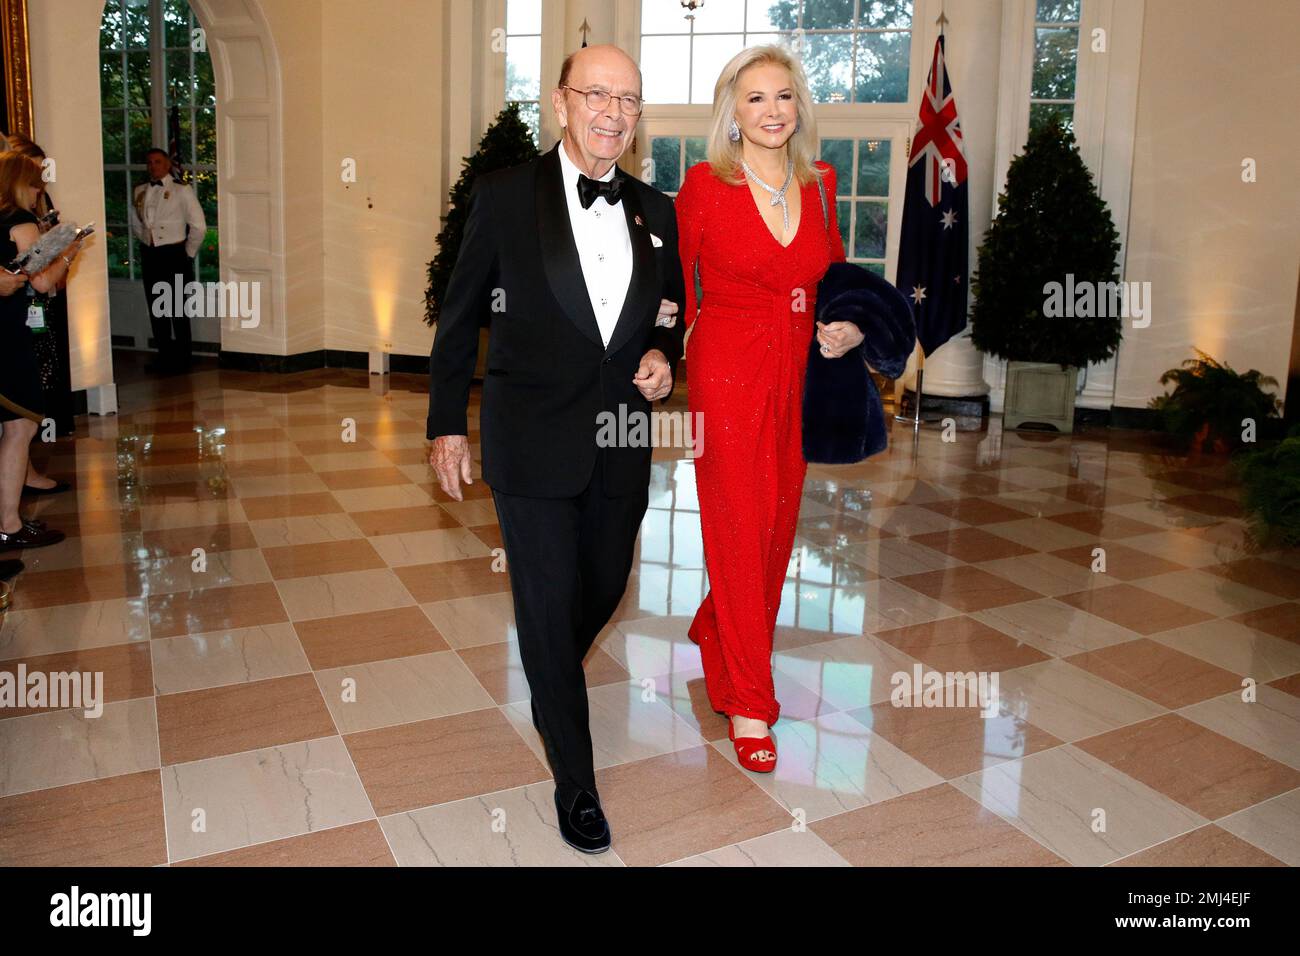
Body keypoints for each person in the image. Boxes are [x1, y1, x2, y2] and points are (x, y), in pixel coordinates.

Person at [427, 44, 685, 853]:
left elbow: (673, 310)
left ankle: (549, 672)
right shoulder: (504, 196)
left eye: (629, 100)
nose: (613, 112)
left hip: (620, 439)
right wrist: (444, 422)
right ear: (562, 101)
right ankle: (577, 786)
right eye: (597, 95)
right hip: (531, 441)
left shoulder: (656, 208)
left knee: (604, 582)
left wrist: (664, 360)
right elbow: (459, 314)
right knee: (544, 600)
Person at [675, 46, 861, 773]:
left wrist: (845, 327)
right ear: (733, 111)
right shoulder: (703, 186)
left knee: (777, 521)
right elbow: (679, 288)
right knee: (738, 521)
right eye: (755, 99)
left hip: (800, 370)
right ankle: (751, 701)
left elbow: (835, 278)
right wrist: (667, 356)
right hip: (726, 367)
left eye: (784, 96)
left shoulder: (821, 185)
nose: (773, 111)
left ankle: (716, 623)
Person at [0, 150, 75, 553]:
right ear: (19, 182)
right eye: (35, 186)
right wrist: (68, 250)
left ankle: (7, 522)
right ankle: (9, 525)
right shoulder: (20, 222)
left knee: (12, 426)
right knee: (21, 426)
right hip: (7, 335)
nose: (37, 193)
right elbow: (44, 283)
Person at [128, 147, 205, 374]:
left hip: (174, 255)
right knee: (157, 309)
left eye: (158, 162)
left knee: (177, 310)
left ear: (168, 164)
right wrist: (145, 241)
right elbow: (135, 222)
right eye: (150, 162)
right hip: (151, 255)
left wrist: (187, 253)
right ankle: (164, 356)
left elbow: (199, 226)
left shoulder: (182, 190)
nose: (153, 166)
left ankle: (183, 358)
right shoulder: (140, 190)